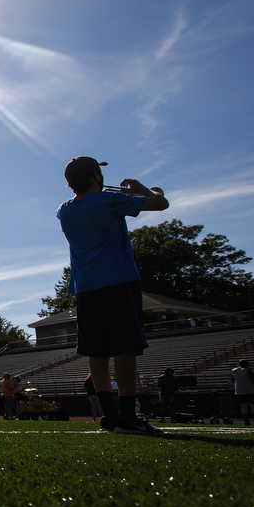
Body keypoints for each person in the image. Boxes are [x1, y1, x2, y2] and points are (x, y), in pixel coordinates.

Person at [56, 156, 169, 435]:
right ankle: (129, 416)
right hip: (117, 281)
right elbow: (161, 203)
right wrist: (143, 188)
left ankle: (110, 417)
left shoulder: (64, 210)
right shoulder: (109, 201)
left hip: (85, 287)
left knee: (97, 351)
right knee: (124, 348)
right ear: (96, 174)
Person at [231, 359, 254, 426]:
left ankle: (246, 421)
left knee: (243, 406)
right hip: (249, 389)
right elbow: (253, 379)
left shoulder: (234, 371)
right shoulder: (247, 370)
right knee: (253, 405)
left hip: (239, 390)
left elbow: (233, 380)